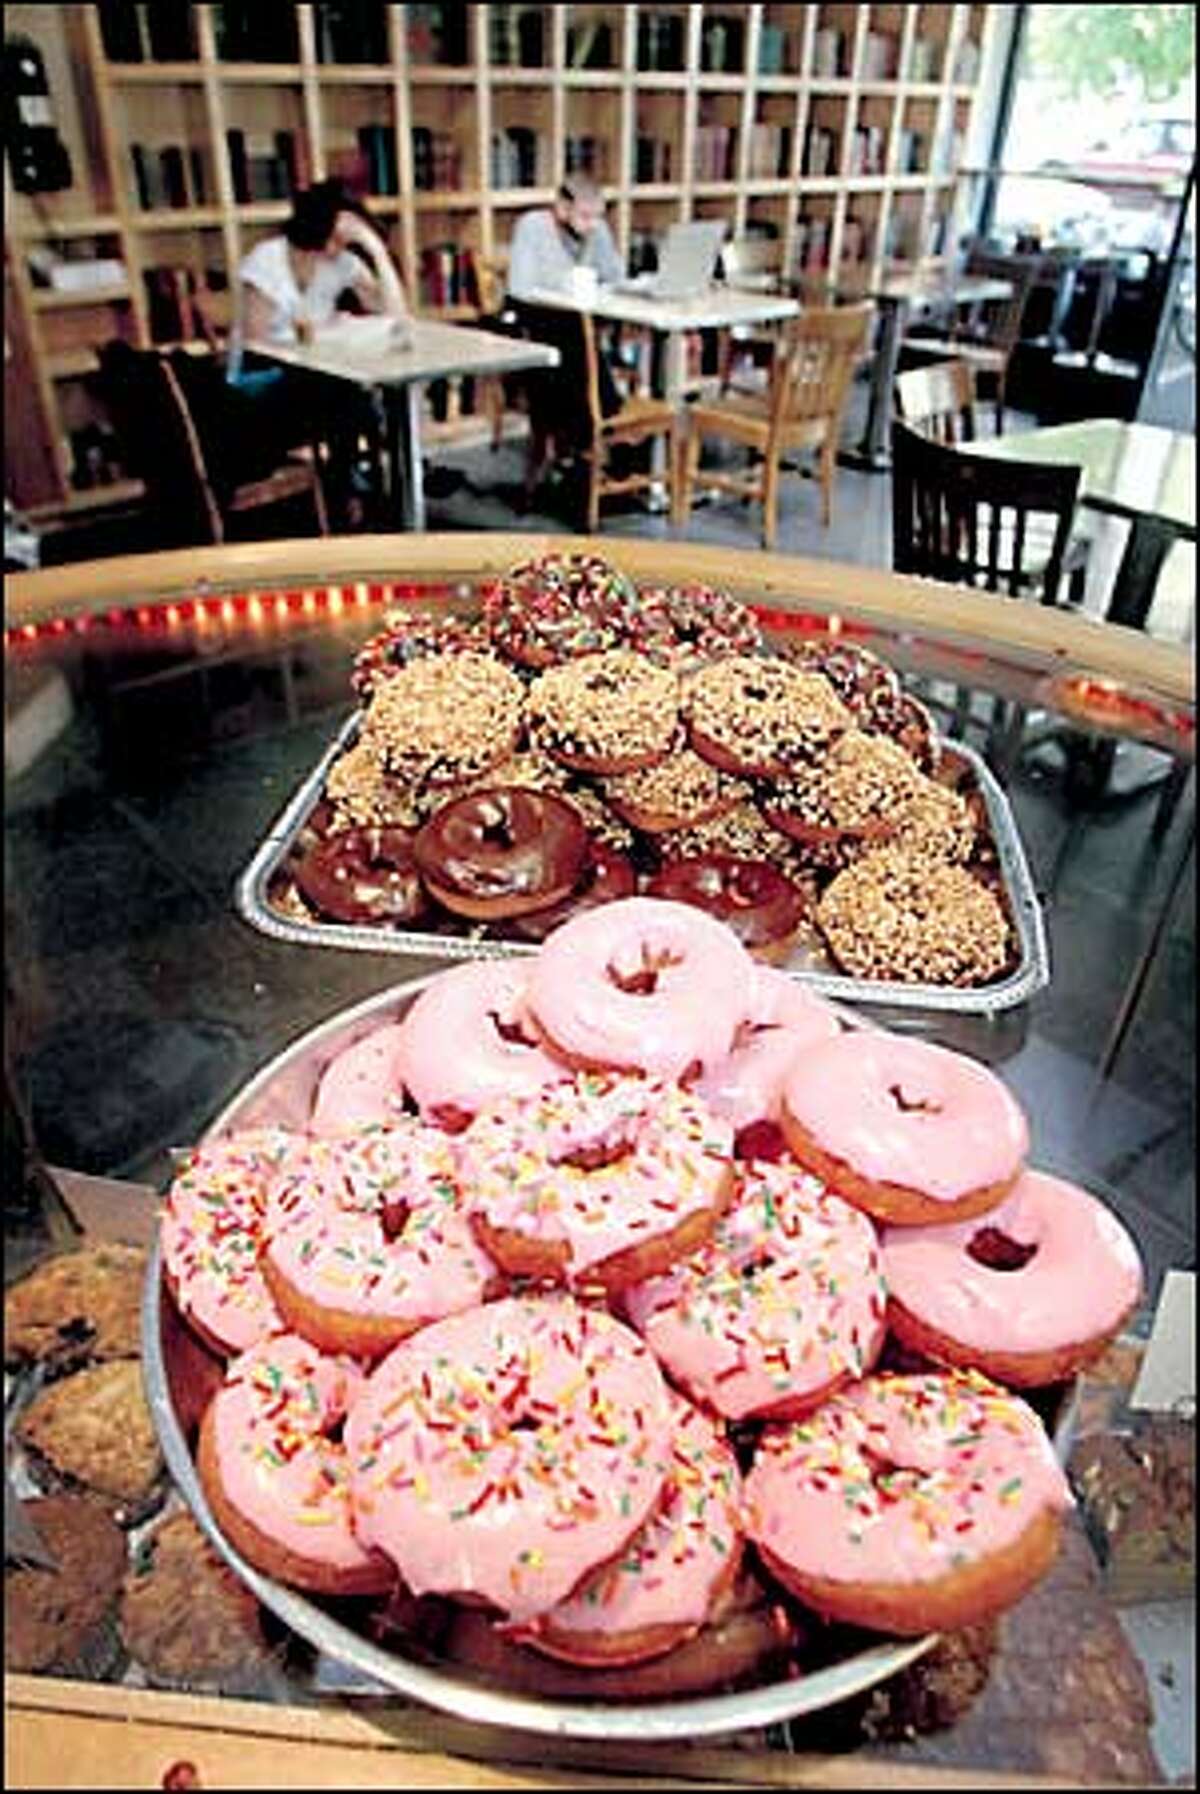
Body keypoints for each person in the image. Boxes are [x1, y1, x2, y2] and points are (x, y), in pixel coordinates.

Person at [226, 179, 410, 527]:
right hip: (257, 385)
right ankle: (348, 491)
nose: (343, 245)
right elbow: (256, 341)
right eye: (340, 234)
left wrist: (375, 248)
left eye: (349, 237)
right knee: (349, 399)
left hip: (315, 379)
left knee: (349, 395)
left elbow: (397, 315)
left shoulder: (342, 263)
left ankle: (351, 489)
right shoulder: (267, 259)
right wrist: (323, 334)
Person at [506, 175, 630, 503]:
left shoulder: (597, 231)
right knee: (574, 344)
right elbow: (519, 288)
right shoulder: (533, 226)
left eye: (597, 217)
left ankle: (589, 441)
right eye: (584, 216)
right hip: (538, 327)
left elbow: (616, 276)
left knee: (583, 342)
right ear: (561, 207)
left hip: (581, 325)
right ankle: (592, 435)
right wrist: (565, 287)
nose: (591, 226)